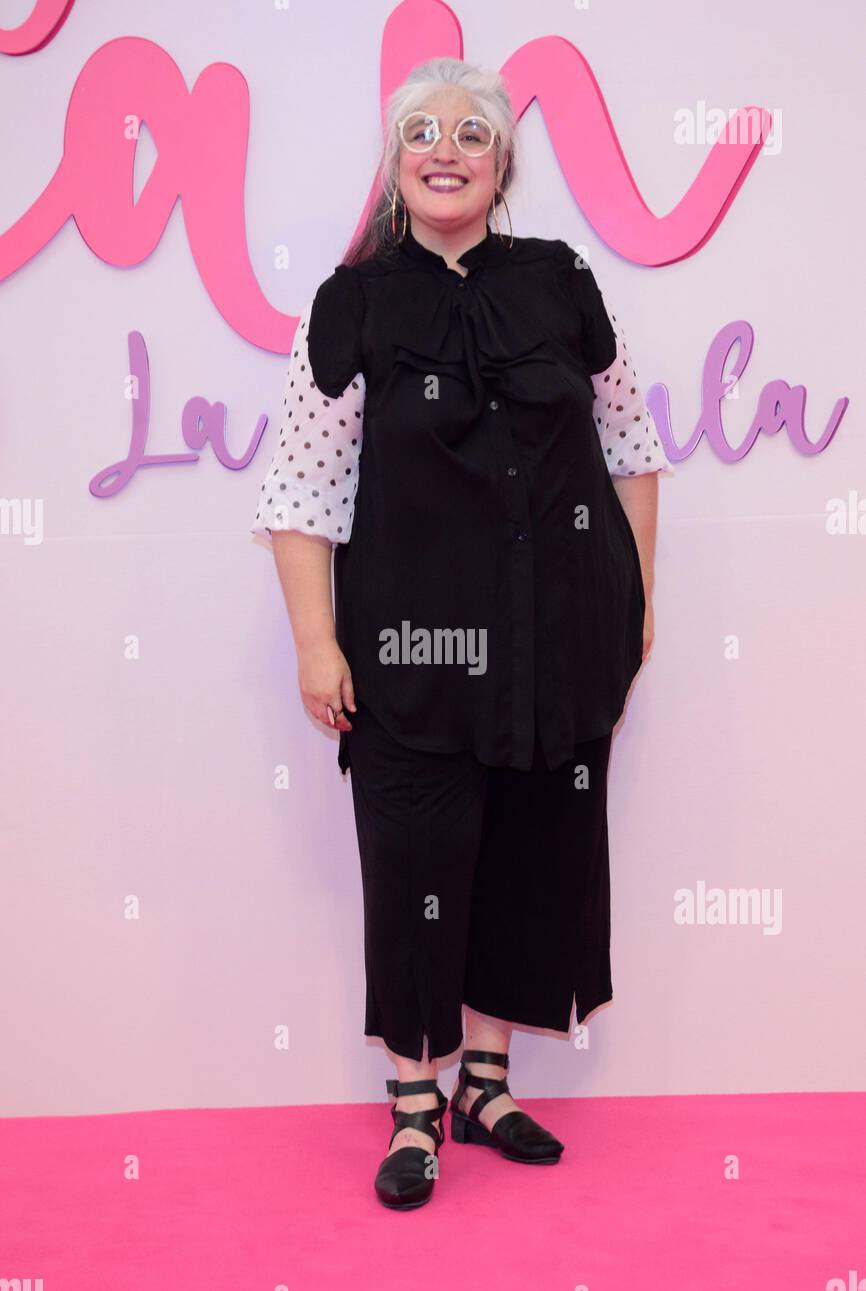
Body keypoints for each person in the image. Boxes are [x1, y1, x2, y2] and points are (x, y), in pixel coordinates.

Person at [252, 57, 673, 1212]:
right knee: (416, 865)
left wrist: (635, 603)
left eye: (470, 133)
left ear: (502, 163)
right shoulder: (354, 303)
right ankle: (413, 1104)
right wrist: (313, 643)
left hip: (557, 648)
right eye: (421, 133)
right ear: (395, 163)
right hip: (407, 660)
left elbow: (631, 446)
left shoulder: (557, 282)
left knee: (527, 858)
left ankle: (486, 1084)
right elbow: (299, 492)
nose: (445, 149)